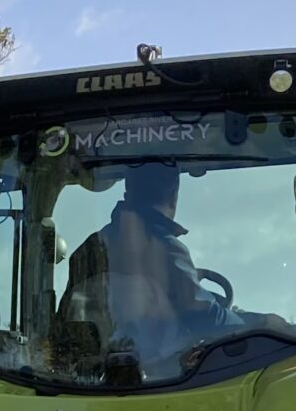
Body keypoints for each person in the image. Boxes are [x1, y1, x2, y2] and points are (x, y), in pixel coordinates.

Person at [60, 161, 223, 380]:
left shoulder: (88, 249)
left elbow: (64, 324)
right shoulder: (167, 248)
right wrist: (262, 324)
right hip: (165, 378)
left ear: (127, 192)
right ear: (174, 195)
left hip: (91, 377)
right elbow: (203, 316)